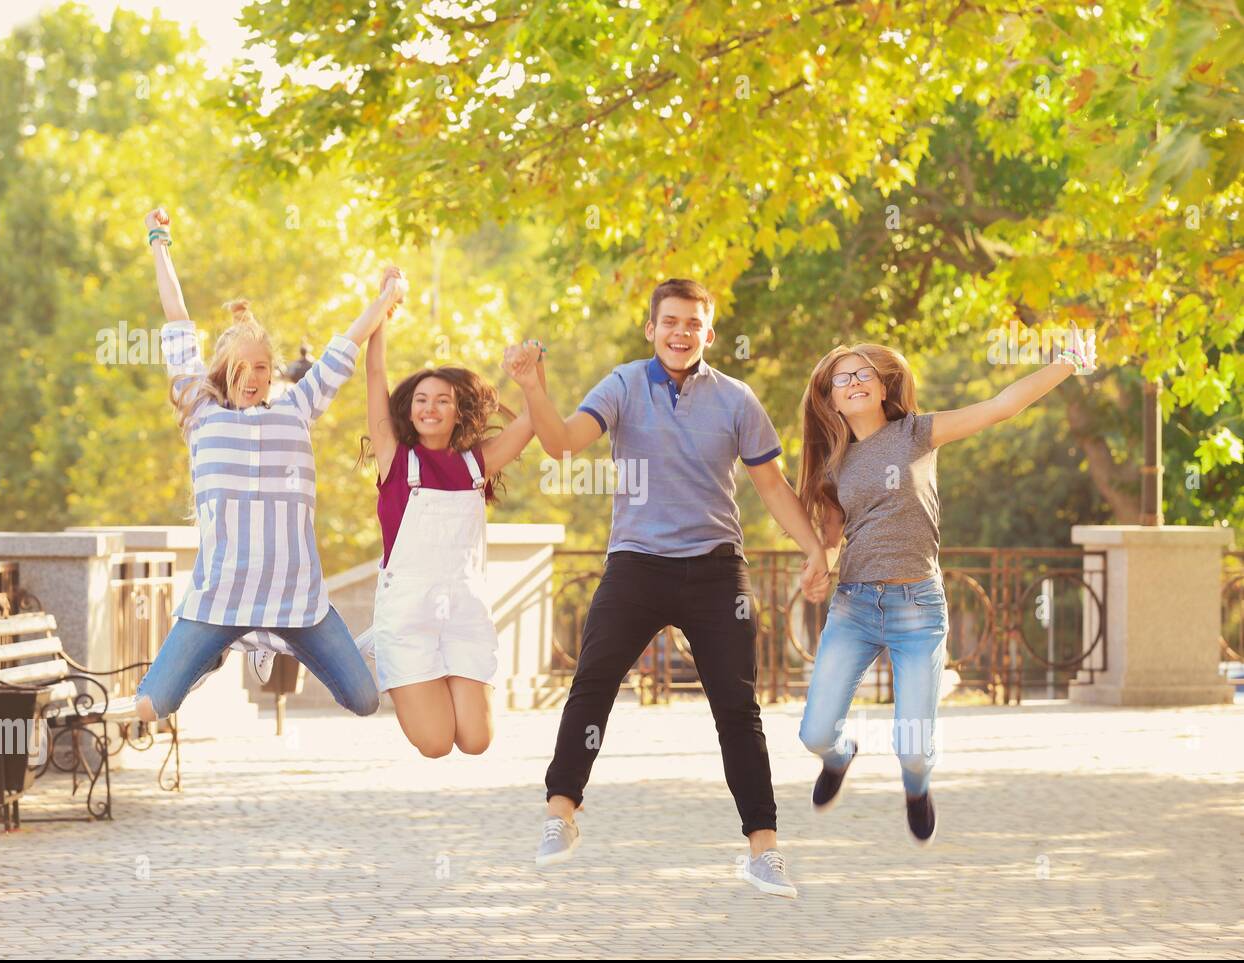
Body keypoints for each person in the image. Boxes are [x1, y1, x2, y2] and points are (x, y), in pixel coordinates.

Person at [507, 278, 830, 899]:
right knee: (593, 682)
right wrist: (530, 387)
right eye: (670, 321)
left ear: (709, 334)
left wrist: (815, 547)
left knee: (737, 709)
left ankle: (763, 849)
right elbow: (562, 443)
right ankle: (560, 813)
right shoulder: (625, 384)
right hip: (637, 563)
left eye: (693, 324)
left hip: (715, 570)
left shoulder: (737, 399)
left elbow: (771, 489)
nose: (680, 332)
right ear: (651, 328)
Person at [794, 323, 1097, 844]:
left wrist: (1067, 363)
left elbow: (1001, 406)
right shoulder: (833, 464)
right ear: (833, 402)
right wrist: (817, 569)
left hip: (917, 605)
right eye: (841, 380)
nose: (853, 381)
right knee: (815, 734)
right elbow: (831, 539)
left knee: (912, 747)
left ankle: (916, 787)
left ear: (884, 386)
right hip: (855, 607)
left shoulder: (918, 433)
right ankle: (840, 757)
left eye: (863, 372)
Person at [133, 205, 400, 724]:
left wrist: (385, 298)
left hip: (295, 601)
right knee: (148, 708)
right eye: (240, 367)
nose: (251, 376)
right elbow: (177, 319)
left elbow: (344, 348)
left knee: (365, 701)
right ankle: (218, 649)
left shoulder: (296, 409)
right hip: (219, 602)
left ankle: (281, 642)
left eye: (261, 366)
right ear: (221, 371)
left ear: (272, 372)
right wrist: (158, 241)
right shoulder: (200, 414)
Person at [354, 318, 546, 757]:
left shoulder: (478, 463)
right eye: (421, 399)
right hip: (408, 618)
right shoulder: (395, 458)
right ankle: (384, 645)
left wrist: (535, 369)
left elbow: (535, 421)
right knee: (436, 744)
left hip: (464, 614)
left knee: (477, 741)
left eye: (443, 400)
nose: (430, 408)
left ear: (459, 411)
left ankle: (428, 677)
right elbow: (376, 376)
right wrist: (382, 317)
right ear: (408, 409)